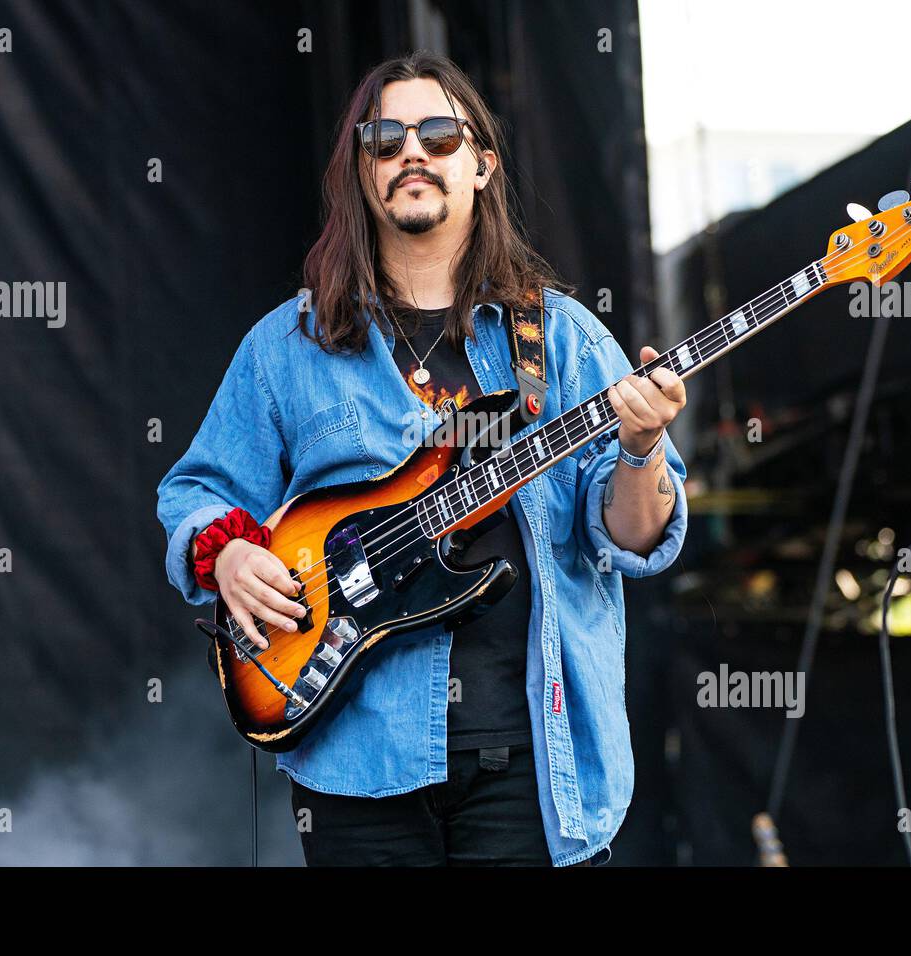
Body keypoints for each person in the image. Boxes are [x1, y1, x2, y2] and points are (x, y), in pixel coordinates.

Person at [157, 51, 689, 866]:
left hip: (534, 763)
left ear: (481, 165)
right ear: (360, 172)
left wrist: (643, 446)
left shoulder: (565, 340)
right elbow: (196, 489)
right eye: (385, 137)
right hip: (357, 767)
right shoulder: (286, 348)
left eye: (439, 134)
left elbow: (634, 537)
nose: (413, 151)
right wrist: (225, 553)